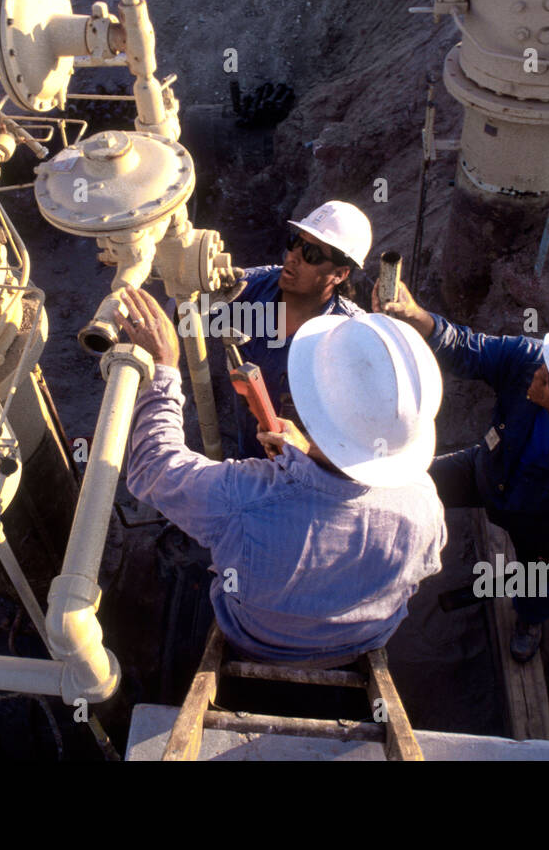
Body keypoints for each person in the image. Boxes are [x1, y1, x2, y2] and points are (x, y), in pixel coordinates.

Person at [121, 284, 446, 668]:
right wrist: (310, 451)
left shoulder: (244, 500)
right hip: (363, 639)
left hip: (259, 639)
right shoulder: (425, 503)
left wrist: (164, 368)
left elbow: (152, 466)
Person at [374, 281, 549, 662]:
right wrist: (417, 317)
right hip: (487, 470)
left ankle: (529, 620)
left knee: (543, 583)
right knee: (401, 486)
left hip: (544, 524)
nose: (538, 374)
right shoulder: (533, 362)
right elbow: (466, 348)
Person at [222, 200, 371, 457]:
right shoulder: (255, 286)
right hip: (248, 454)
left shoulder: (353, 337)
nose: (294, 257)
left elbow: (365, 443)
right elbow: (185, 313)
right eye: (295, 243)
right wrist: (197, 297)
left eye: (312, 253)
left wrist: (304, 448)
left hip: (308, 475)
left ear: (340, 274)